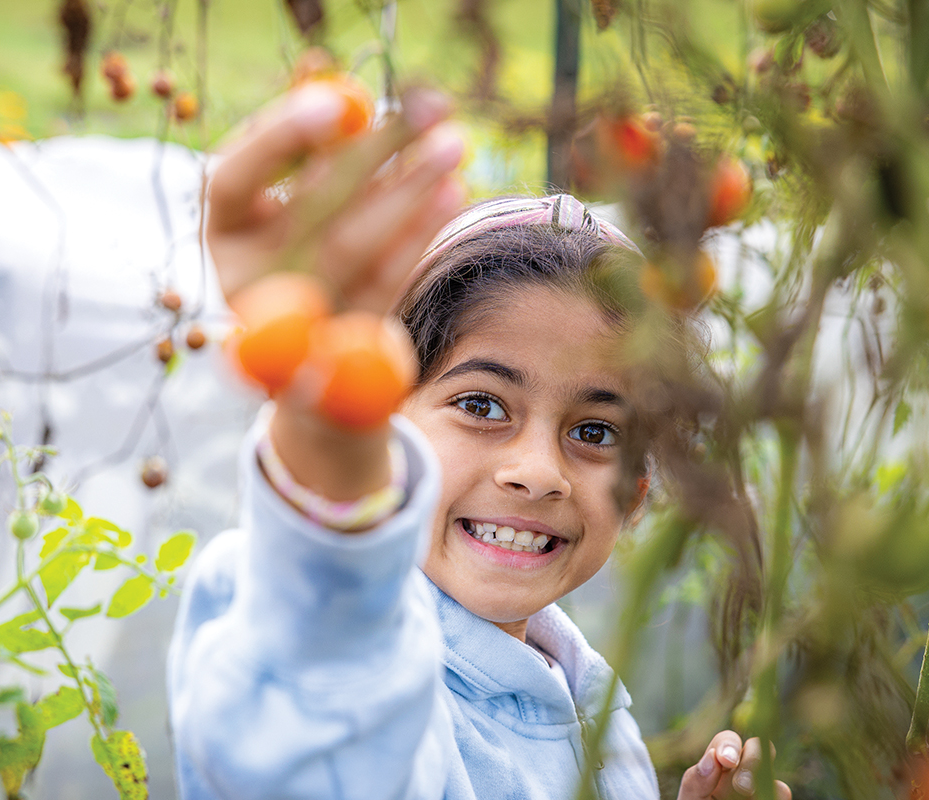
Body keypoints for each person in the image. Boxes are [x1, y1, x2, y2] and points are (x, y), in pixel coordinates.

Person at [167, 82, 791, 800]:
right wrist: (331, 437)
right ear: (389, 426)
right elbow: (309, 743)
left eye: (594, 431)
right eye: (481, 405)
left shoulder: (595, 714)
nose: (538, 471)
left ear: (637, 493)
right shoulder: (331, 639)